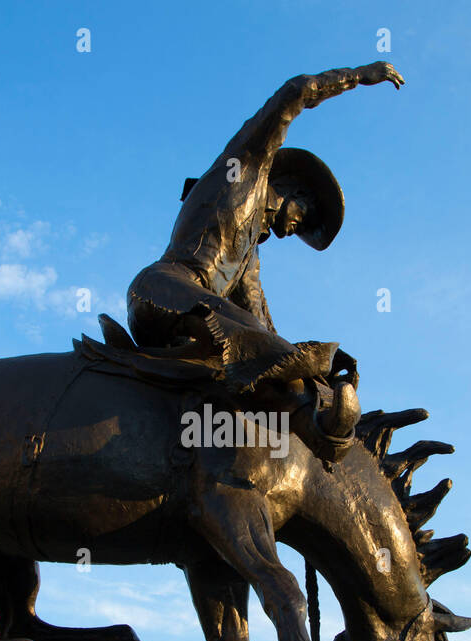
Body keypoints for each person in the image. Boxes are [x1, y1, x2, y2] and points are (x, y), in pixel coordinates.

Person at [125, 62, 405, 463]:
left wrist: (316, 369)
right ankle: (321, 425)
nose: (294, 230)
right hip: (164, 289)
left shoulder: (249, 260)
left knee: (264, 355)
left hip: (195, 321)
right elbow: (295, 92)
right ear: (292, 188)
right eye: (303, 216)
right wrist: (362, 75)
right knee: (257, 343)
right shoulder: (242, 172)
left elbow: (260, 322)